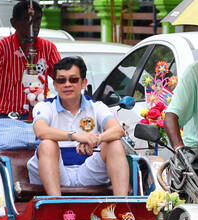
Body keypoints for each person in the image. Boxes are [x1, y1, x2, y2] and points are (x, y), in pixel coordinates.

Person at [30, 56, 130, 196]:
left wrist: (96, 139)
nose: (67, 84)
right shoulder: (45, 106)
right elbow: (41, 131)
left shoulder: (97, 107)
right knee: (47, 144)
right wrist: (76, 136)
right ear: (55, 85)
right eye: (61, 80)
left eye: (73, 79)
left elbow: (118, 130)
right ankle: (55, 205)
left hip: (87, 171)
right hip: (54, 170)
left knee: (114, 144)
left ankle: (122, 206)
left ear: (83, 83)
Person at [0, 0, 61, 120]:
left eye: (37, 20)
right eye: (27, 20)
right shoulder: (1, 47)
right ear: (14, 23)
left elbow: (61, 78)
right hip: (4, 116)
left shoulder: (48, 47)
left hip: (38, 116)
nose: (34, 25)